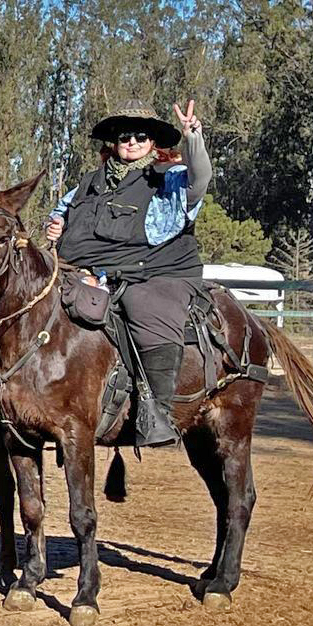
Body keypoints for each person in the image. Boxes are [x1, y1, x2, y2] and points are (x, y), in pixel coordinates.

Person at [45, 100, 210, 447]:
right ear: (113, 143)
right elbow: (59, 213)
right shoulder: (90, 183)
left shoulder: (168, 178)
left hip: (155, 272)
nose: (131, 142)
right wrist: (55, 227)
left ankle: (157, 414)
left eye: (140, 136)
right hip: (89, 270)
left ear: (153, 143)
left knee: (145, 307)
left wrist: (192, 137)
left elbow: (200, 178)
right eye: (124, 137)